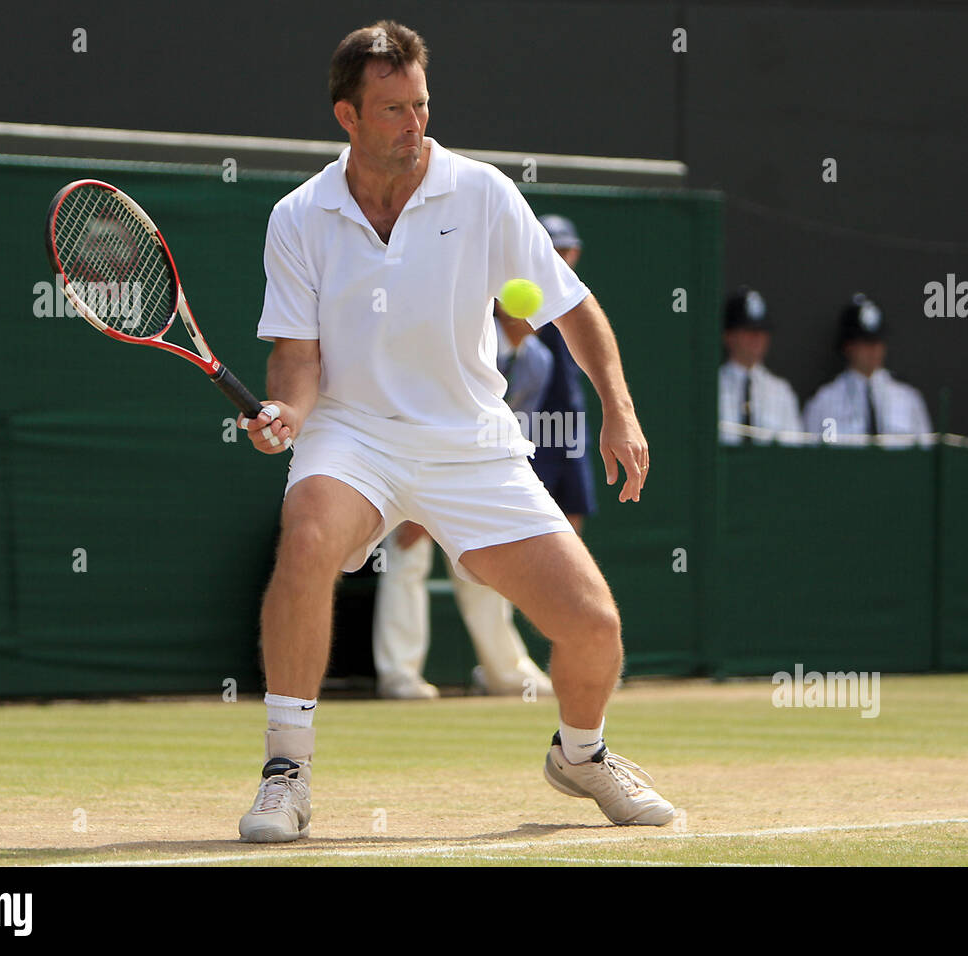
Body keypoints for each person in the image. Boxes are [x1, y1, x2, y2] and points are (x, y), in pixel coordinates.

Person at [236, 20, 673, 842]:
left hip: (469, 440)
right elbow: (296, 358)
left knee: (594, 626)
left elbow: (573, 308)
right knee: (307, 539)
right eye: (393, 109)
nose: (415, 123)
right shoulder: (298, 217)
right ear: (347, 117)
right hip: (354, 435)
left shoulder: (483, 194)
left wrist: (619, 407)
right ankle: (285, 773)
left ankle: (581, 755)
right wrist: (287, 413)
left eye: (422, 104)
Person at [371, 312, 556, 701]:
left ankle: (507, 673)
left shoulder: (539, 361)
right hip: (413, 455)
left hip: (477, 472)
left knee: (490, 570)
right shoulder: (464, 340)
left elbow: (514, 431)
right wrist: (421, 496)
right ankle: (400, 675)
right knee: (407, 560)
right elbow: (425, 409)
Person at [529, 214, 596, 534]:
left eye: (564, 251)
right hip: (524, 432)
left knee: (571, 518)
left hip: (570, 431)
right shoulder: (512, 306)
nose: (558, 259)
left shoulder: (581, 308)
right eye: (550, 251)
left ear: (575, 254)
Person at [803, 293, 932, 439]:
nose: (873, 350)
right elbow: (810, 450)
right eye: (865, 342)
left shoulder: (908, 399)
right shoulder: (824, 402)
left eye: (877, 341)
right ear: (848, 346)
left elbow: (925, 448)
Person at [717, 285, 803, 444]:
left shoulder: (781, 392)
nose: (756, 338)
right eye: (748, 331)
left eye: (762, 331)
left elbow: (793, 451)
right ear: (728, 335)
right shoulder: (711, 387)